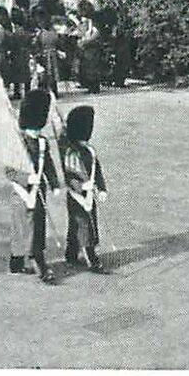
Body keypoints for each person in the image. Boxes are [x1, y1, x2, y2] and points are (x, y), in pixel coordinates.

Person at [6, 89, 60, 282]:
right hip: (22, 193)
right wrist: (28, 179)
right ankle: (23, 260)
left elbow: (49, 164)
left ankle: (33, 257)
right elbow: (10, 171)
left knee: (37, 225)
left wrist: (54, 183)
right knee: (22, 226)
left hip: (38, 193)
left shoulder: (42, 142)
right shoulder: (17, 144)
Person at [61, 105, 110, 272]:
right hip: (76, 195)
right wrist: (82, 186)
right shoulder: (71, 153)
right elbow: (70, 176)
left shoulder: (90, 151)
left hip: (88, 195)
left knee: (83, 223)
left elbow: (97, 171)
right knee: (83, 224)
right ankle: (91, 257)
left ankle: (71, 253)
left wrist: (101, 188)